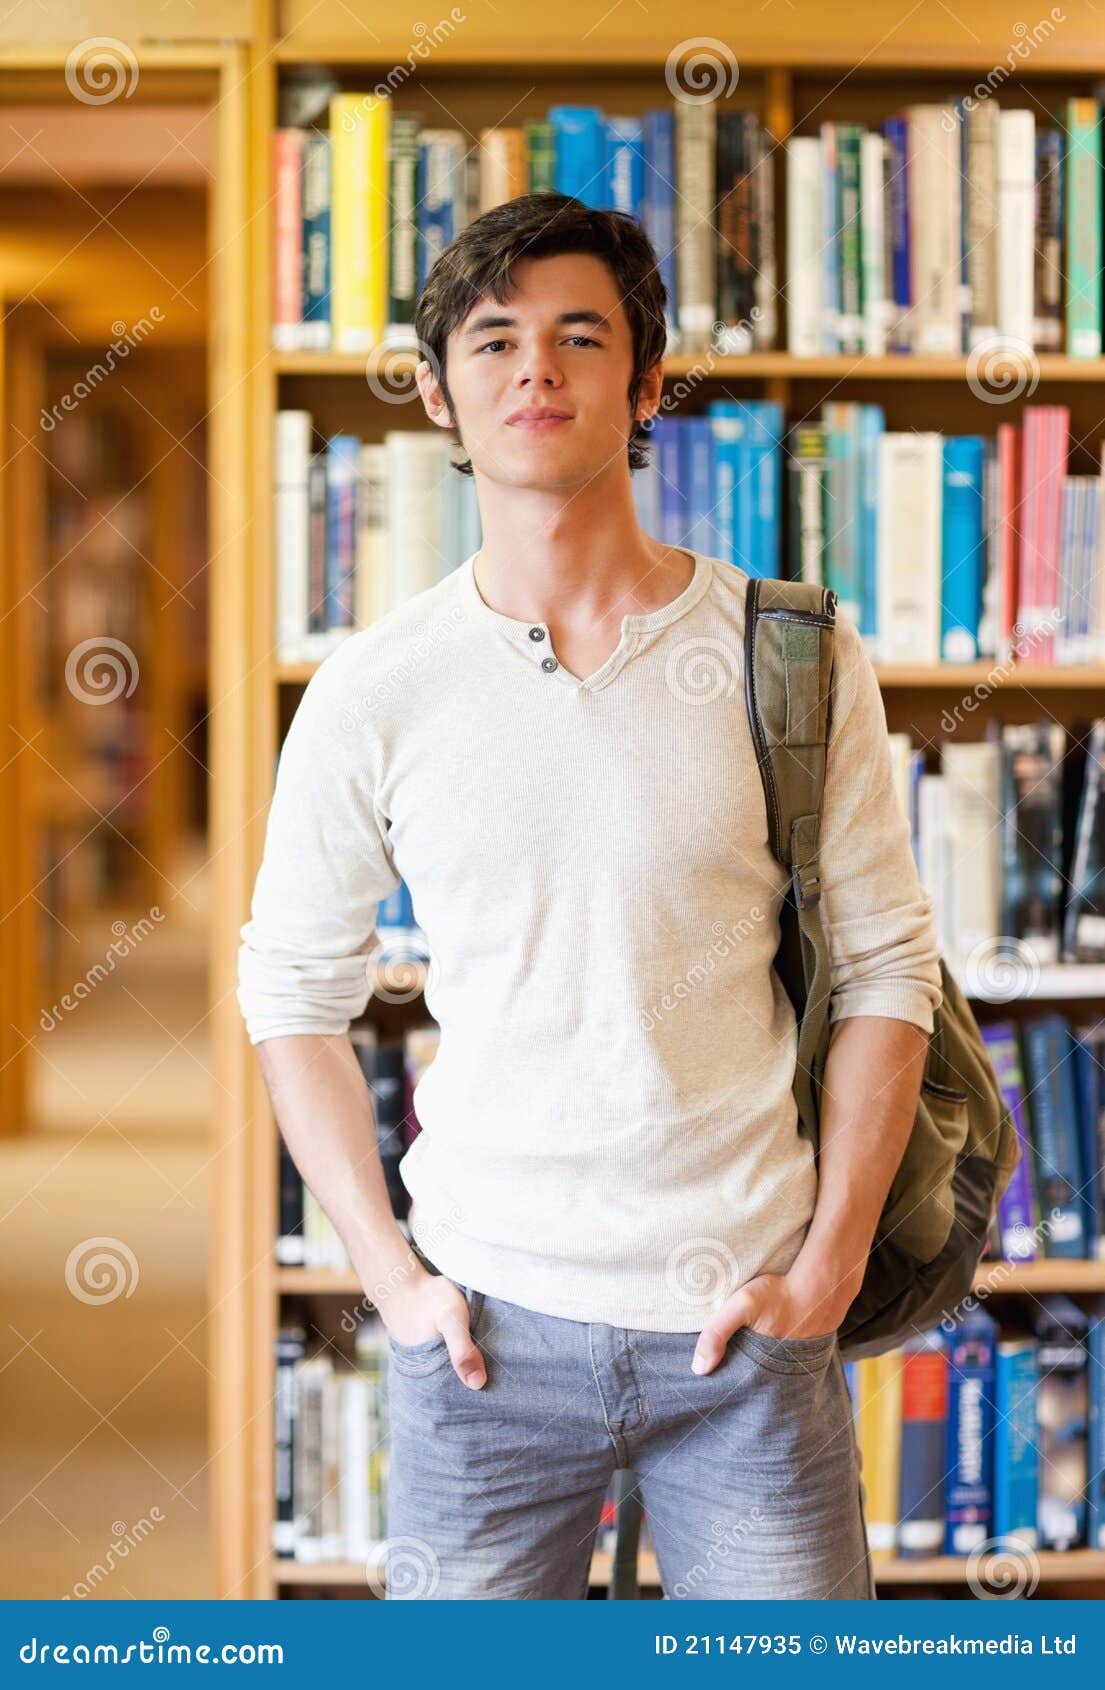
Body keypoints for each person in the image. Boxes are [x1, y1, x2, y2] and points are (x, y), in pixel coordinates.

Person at [237, 193, 943, 1600]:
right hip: (480, 1341)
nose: (536, 371)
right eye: (492, 340)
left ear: (647, 381)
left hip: (746, 1330)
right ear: (438, 390)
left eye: (579, 335)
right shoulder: (377, 688)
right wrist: (390, 1276)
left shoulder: (785, 655)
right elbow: (288, 992)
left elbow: (882, 968)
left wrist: (823, 1270)